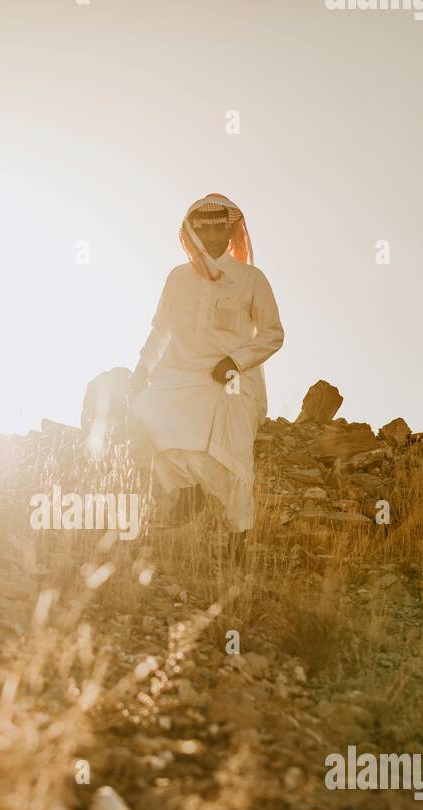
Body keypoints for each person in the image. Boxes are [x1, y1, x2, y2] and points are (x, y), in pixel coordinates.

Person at [129, 193, 284, 557]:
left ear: (231, 233)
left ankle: (238, 538)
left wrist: (235, 360)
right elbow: (160, 332)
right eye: (205, 229)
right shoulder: (177, 278)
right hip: (178, 378)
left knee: (230, 453)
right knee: (146, 419)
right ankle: (187, 495)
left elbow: (273, 334)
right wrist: (141, 372)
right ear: (193, 233)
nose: (214, 236)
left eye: (221, 228)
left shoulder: (250, 279)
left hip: (231, 381)